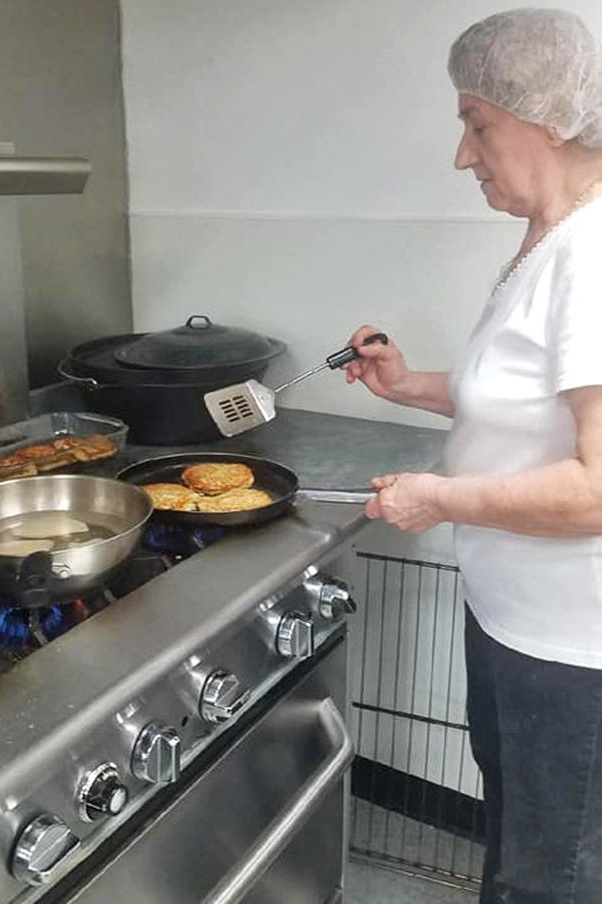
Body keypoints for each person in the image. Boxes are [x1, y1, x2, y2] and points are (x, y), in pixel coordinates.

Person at [345, 8, 602, 904]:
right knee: (524, 842)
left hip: (572, 650)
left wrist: (442, 499)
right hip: (509, 619)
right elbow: (522, 403)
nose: (465, 154)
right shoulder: (549, 241)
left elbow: (600, 490)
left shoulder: (595, 257)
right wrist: (410, 384)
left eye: (476, 122)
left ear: (548, 117)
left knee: (553, 875)